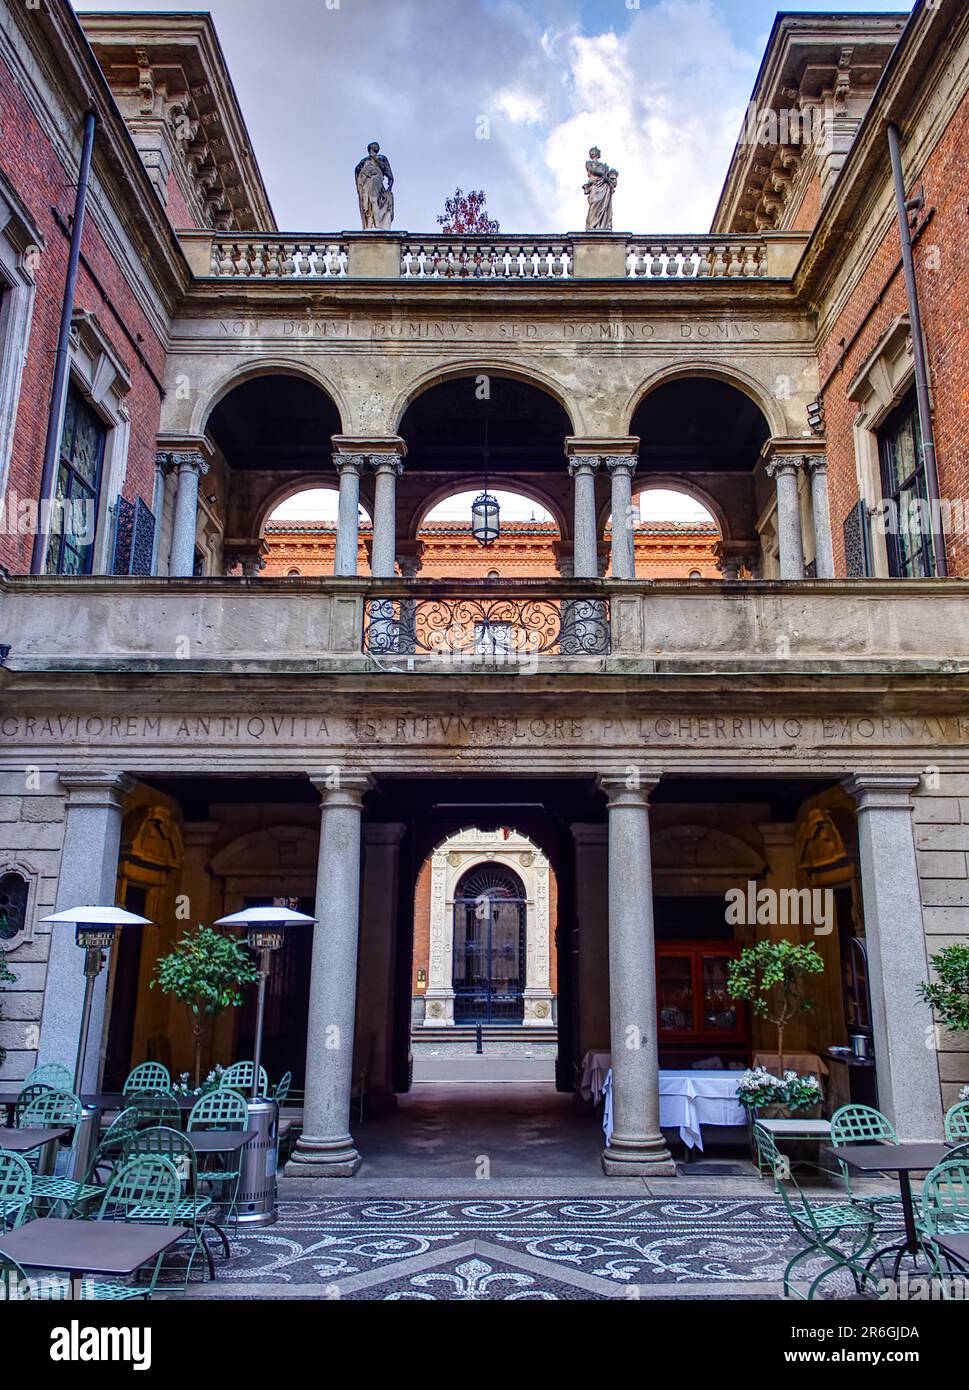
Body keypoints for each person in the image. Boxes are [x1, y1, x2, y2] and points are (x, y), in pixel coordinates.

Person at [355, 142, 395, 230]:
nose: (376, 146)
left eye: (376, 146)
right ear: (369, 148)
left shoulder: (382, 158)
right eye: (374, 145)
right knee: (367, 203)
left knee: (373, 199)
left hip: (376, 177)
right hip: (365, 180)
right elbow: (357, 171)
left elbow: (388, 171)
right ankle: (370, 224)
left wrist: (390, 185)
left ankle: (377, 224)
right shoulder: (364, 160)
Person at [583, 147, 618, 231]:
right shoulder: (588, 163)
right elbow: (594, 171)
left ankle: (603, 225)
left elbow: (613, 183)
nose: (592, 153)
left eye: (594, 152)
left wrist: (613, 176)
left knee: (604, 207)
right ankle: (592, 226)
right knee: (594, 203)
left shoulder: (604, 166)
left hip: (604, 187)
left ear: (598, 154)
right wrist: (605, 176)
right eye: (591, 152)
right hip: (595, 186)